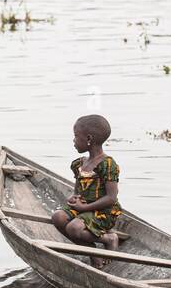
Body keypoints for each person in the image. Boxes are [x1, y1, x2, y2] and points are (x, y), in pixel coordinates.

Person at [51, 114, 122, 268]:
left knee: (73, 228)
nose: (74, 141)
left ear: (89, 139)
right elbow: (78, 190)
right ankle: (91, 251)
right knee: (58, 217)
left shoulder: (107, 164)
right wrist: (74, 198)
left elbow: (111, 197)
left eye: (76, 136)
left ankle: (109, 239)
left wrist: (84, 208)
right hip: (84, 209)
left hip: (103, 211)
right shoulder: (79, 164)